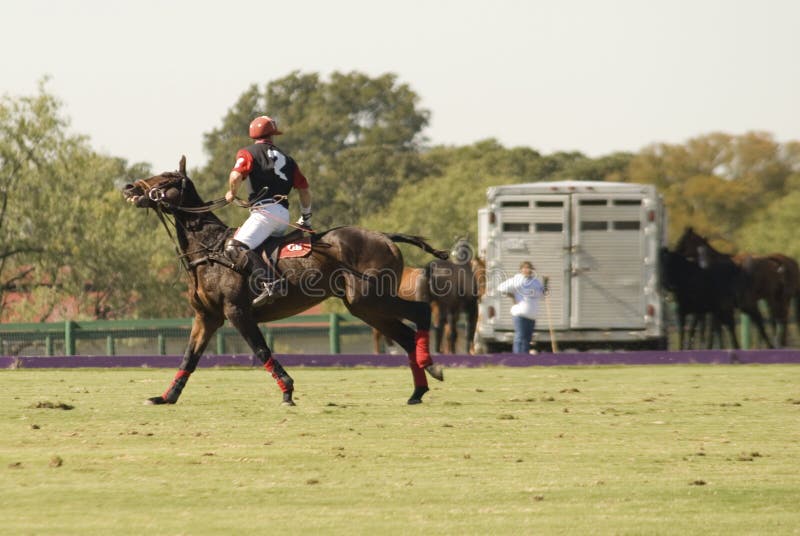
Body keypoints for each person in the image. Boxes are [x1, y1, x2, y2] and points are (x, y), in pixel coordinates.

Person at [224, 115, 313, 307]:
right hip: (283, 215)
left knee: (235, 247)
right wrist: (306, 217)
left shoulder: (247, 153)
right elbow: (304, 190)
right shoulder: (288, 159)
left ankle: (272, 284)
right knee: (255, 249)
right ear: (273, 136)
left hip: (265, 214)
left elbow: (235, 176)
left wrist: (232, 193)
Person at [496, 261, 547, 354]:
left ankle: (525, 360)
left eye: (529, 268)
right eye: (525, 268)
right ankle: (517, 359)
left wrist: (546, 284)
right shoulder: (517, 280)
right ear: (521, 270)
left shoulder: (536, 282)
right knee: (520, 337)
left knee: (527, 339)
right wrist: (512, 296)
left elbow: (543, 295)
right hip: (520, 315)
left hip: (532, 315)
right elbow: (501, 288)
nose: (528, 270)